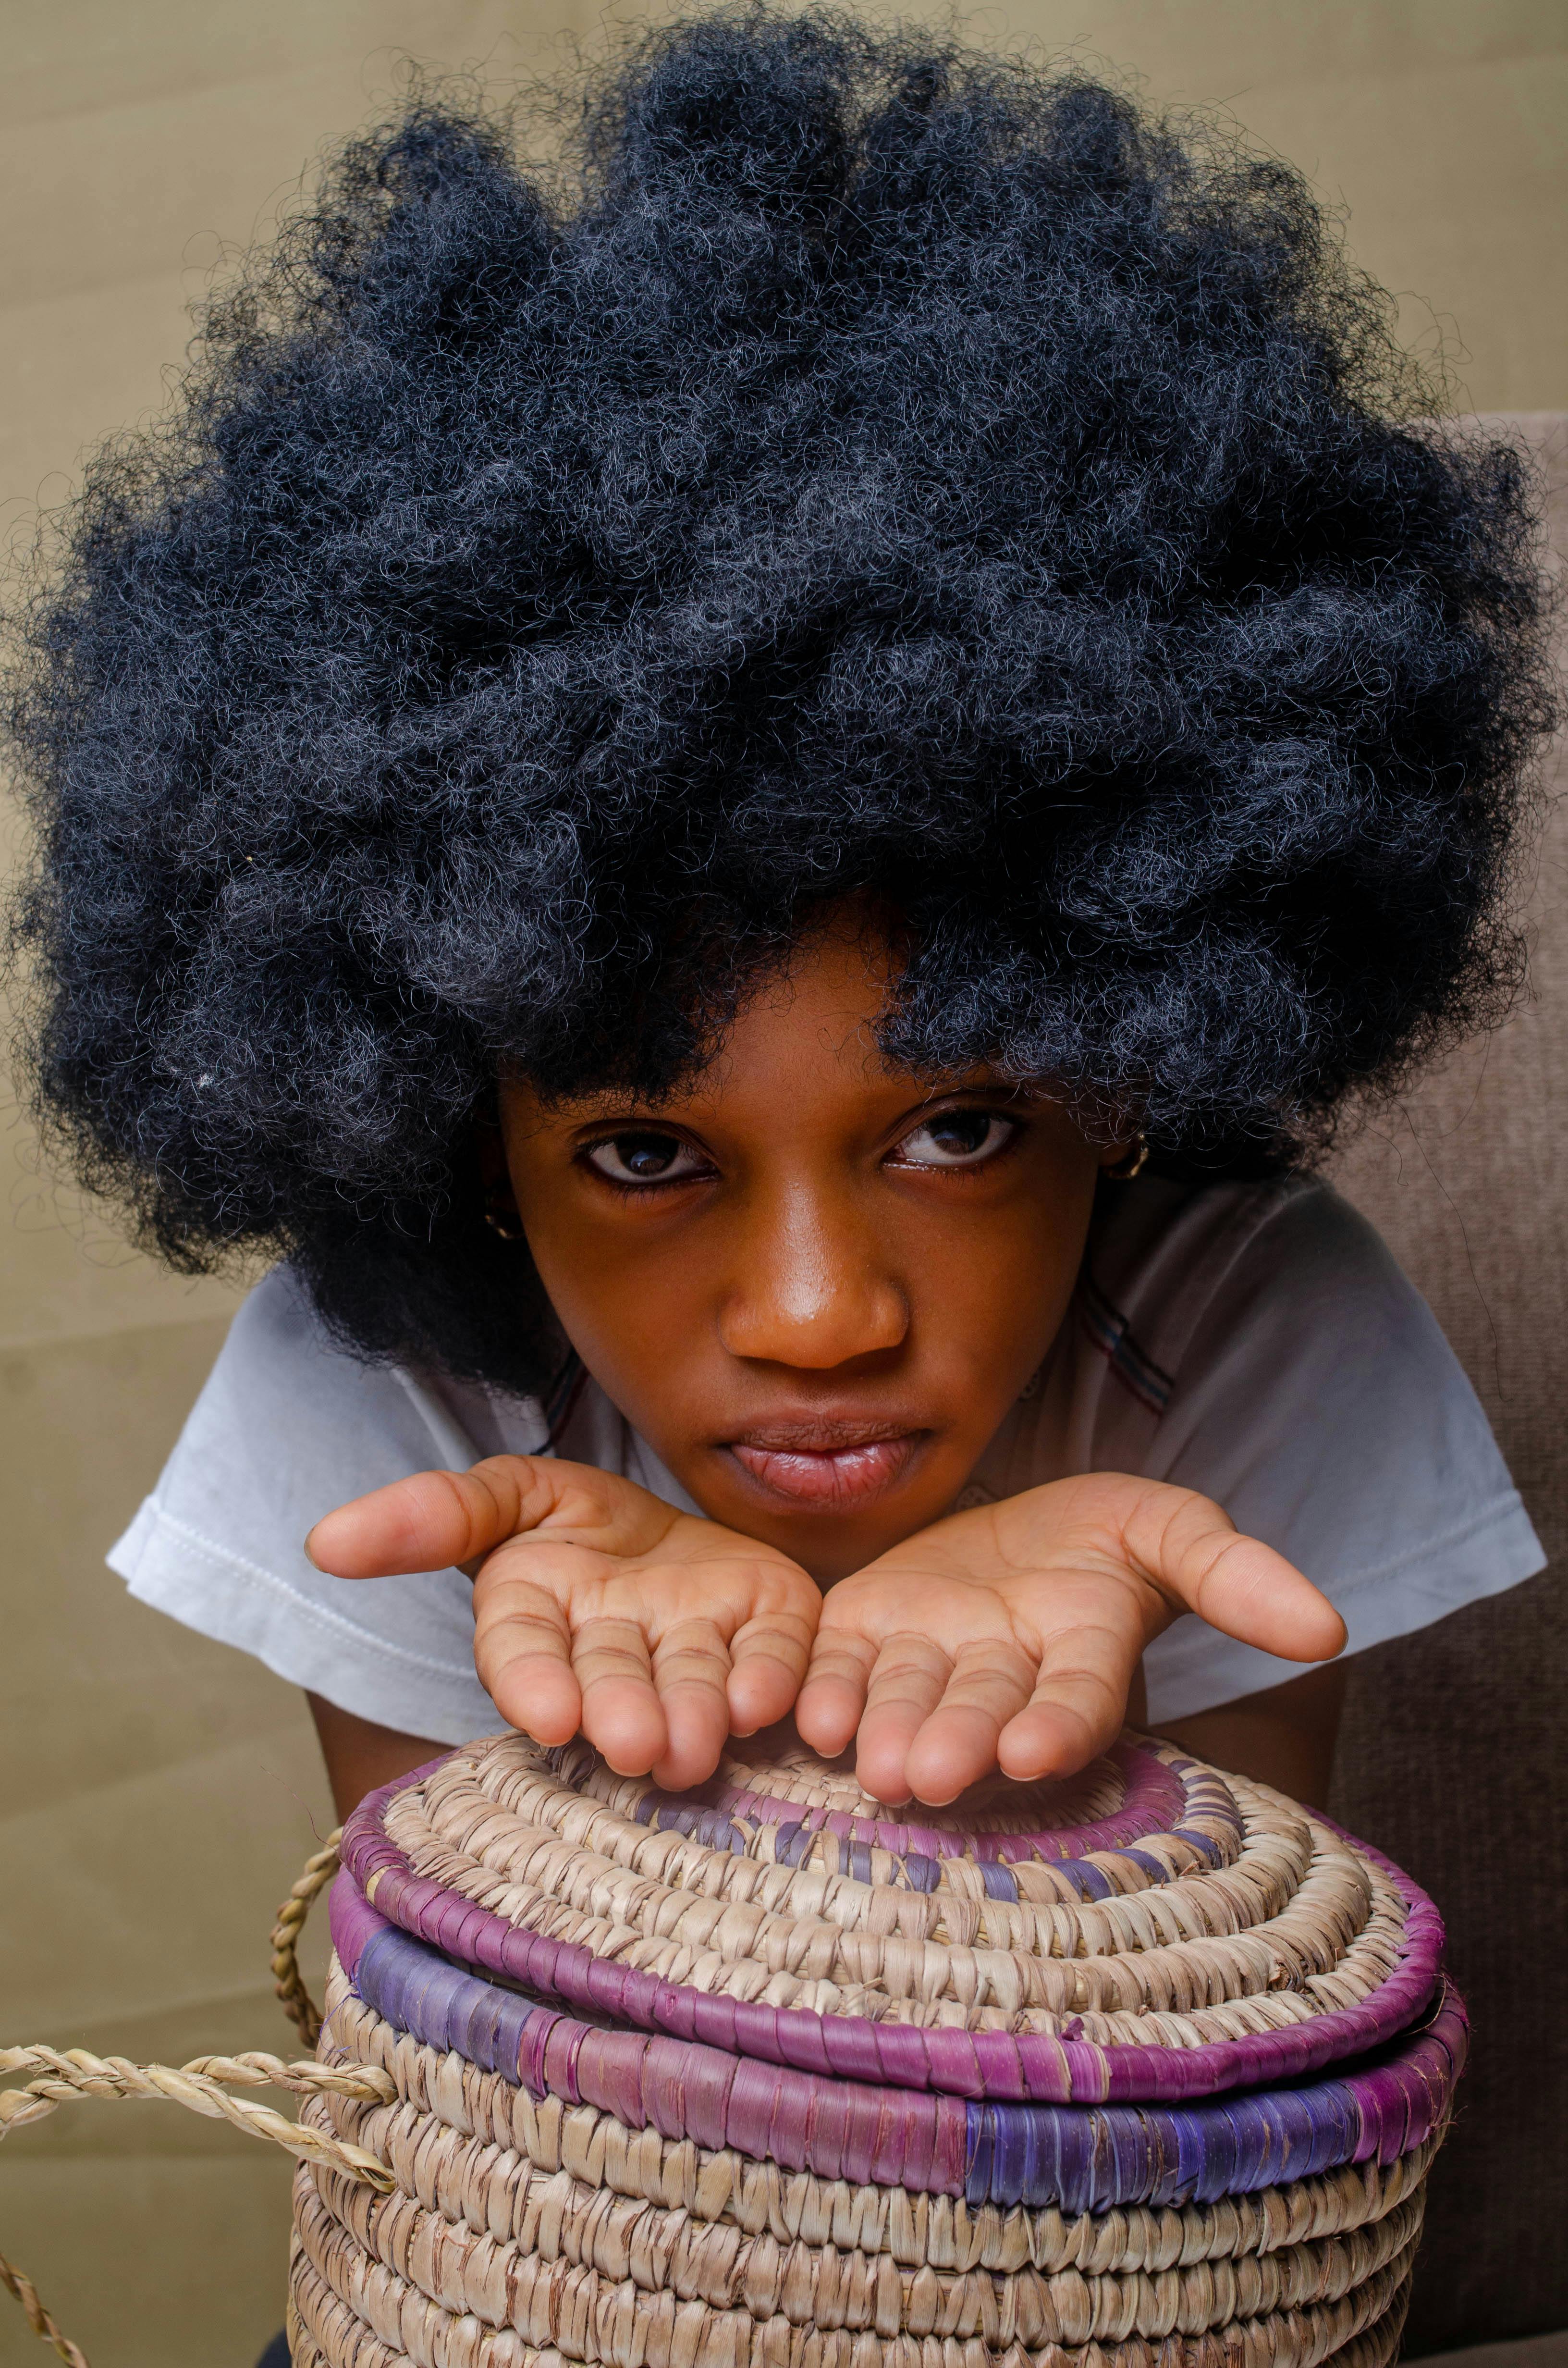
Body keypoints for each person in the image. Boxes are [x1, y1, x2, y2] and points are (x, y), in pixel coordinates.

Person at [8, 8, 1553, 1829]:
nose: (822, 1322)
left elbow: (1248, 2089)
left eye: (959, 1129)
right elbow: (411, 2090)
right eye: (647, 1153)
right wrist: (628, 1759)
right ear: (460, 1132)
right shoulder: (398, 1397)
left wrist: (1082, 1714)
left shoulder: (1251, 1315)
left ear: (1123, 1075)